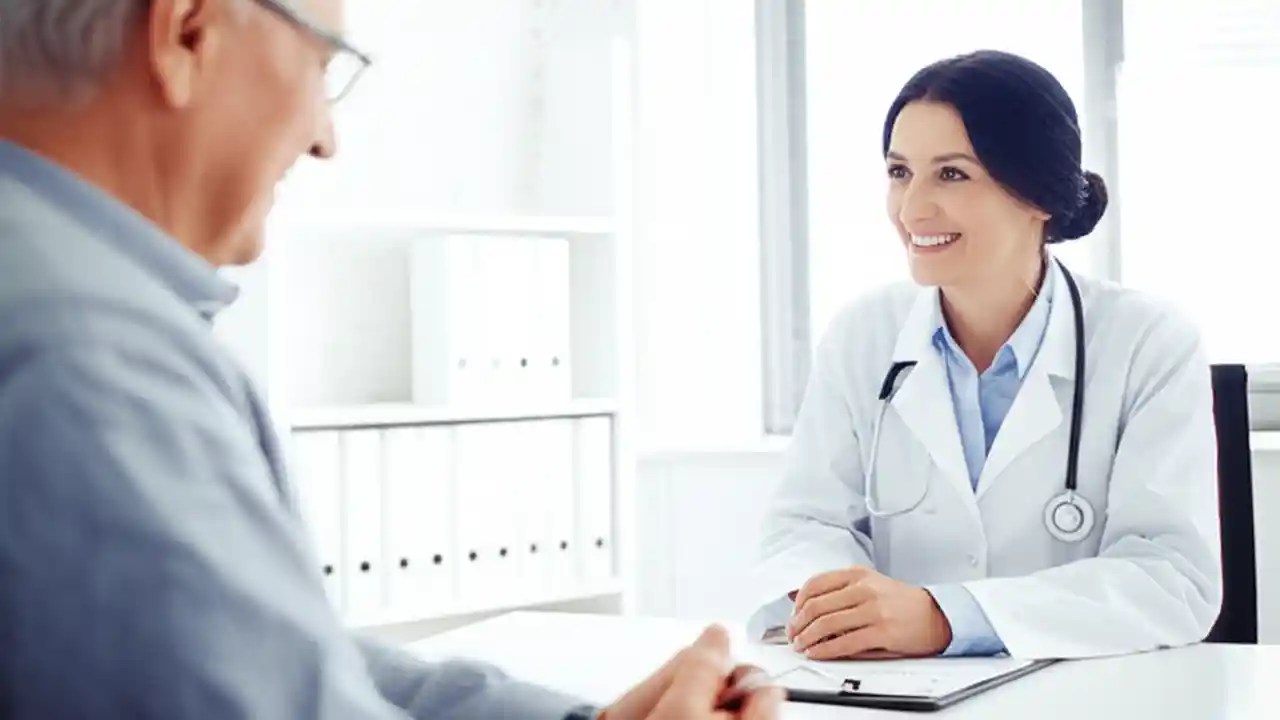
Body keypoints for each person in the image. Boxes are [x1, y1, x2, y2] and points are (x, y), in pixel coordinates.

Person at [0, 1, 784, 718]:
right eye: (323, 67)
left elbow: (293, 658)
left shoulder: (61, 297)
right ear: (187, 33)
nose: (324, 138)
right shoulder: (89, 358)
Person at [749, 50, 1223, 661]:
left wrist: (945, 618)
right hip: (899, 693)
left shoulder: (1147, 341)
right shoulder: (862, 335)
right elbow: (805, 526)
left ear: (1039, 194)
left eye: (952, 174)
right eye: (899, 172)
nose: (912, 208)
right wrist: (836, 604)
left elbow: (1170, 578)